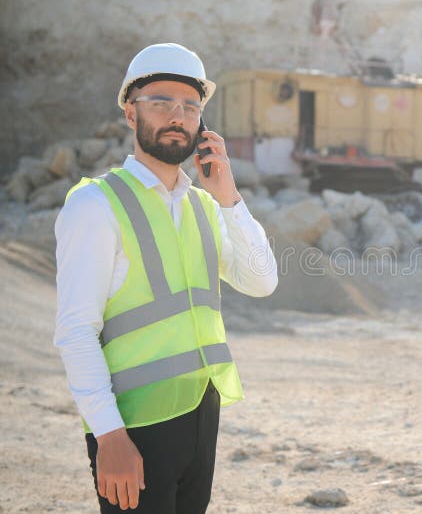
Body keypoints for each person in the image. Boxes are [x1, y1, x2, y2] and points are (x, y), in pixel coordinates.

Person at [53, 43, 279, 512]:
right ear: (131, 114)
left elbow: (262, 282)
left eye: (190, 106)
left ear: (202, 123)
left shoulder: (204, 206)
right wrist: (109, 434)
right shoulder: (95, 206)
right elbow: (76, 332)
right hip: (133, 427)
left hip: (200, 413)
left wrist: (229, 196)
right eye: (160, 102)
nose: (177, 115)